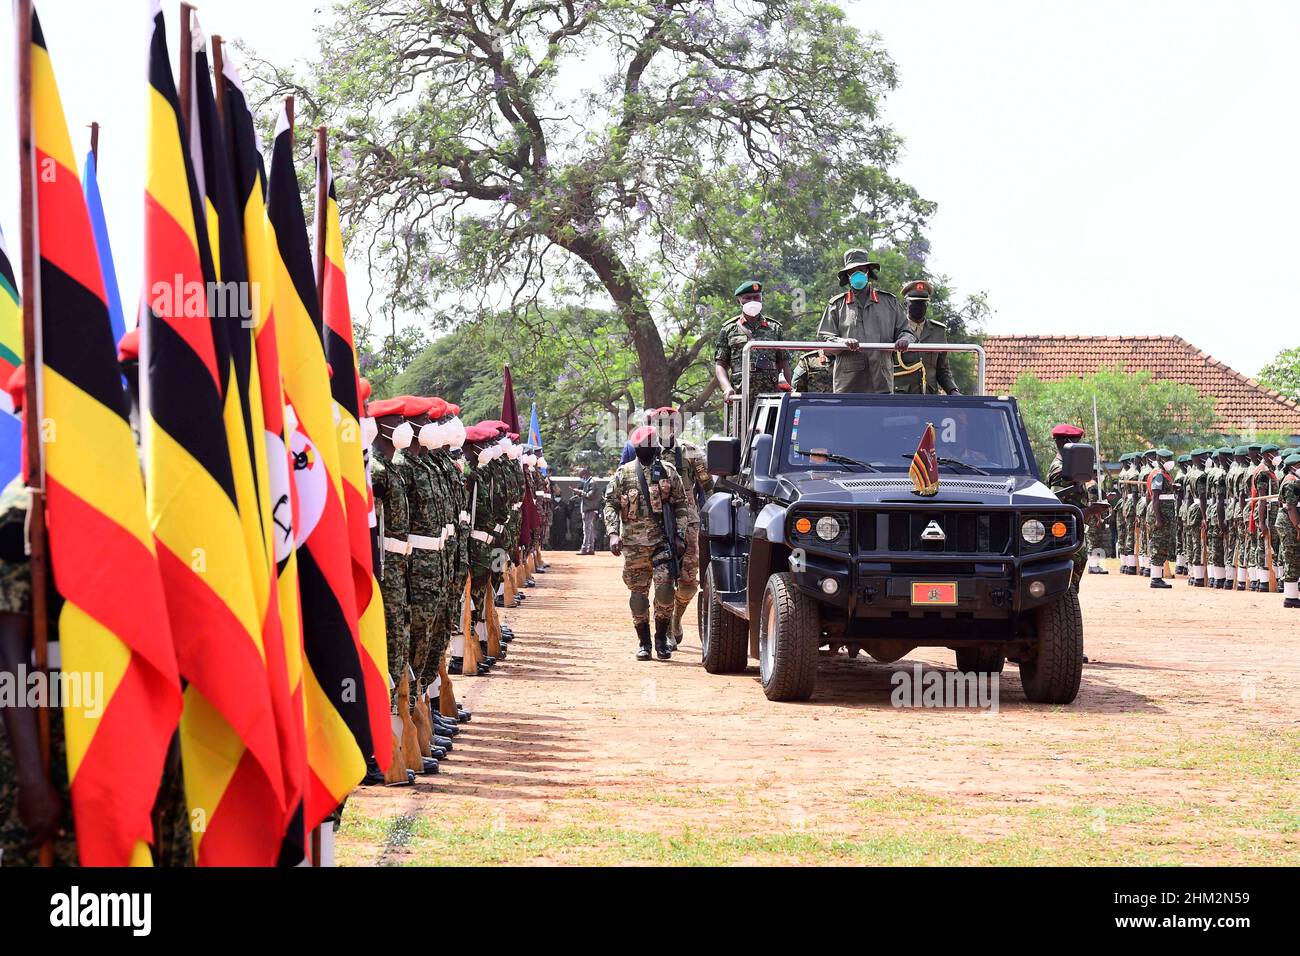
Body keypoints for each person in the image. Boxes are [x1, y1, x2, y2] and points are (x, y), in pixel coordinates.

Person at [604, 426, 689, 661]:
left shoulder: (669, 472)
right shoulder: (624, 474)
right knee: (638, 597)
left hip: (662, 544)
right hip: (633, 546)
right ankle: (644, 642)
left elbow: (681, 504)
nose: (645, 452)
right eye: (640, 448)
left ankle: (662, 639)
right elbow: (610, 504)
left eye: (647, 448)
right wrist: (613, 533)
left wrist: (680, 535)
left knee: (664, 592)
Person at [650, 406, 714, 646]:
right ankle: (663, 629)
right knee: (661, 581)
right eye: (661, 423)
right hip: (655, 526)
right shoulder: (646, 452)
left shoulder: (691, 452)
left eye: (671, 423)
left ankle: (676, 618)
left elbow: (708, 488)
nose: (666, 428)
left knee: (687, 583)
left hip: (687, 524)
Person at [816, 249, 914, 393]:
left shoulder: (889, 302)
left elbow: (907, 332)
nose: (857, 274)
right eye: (852, 271)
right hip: (849, 387)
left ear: (868, 271)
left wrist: (904, 339)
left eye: (861, 269)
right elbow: (824, 344)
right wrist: (841, 343)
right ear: (847, 276)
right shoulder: (836, 305)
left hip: (882, 384)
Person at [713, 281, 790, 426]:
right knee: (739, 439)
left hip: (770, 396)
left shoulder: (775, 328)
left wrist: (786, 390)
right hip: (741, 395)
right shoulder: (729, 329)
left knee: (770, 435)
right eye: (747, 298)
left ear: (761, 298)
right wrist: (727, 388)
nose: (752, 301)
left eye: (756, 297)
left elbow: (784, 363)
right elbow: (720, 364)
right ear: (739, 300)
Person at [1045, 423, 1107, 594]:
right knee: (1067, 588)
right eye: (1077, 441)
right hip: (1064, 534)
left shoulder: (1070, 466)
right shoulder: (1061, 470)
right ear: (1067, 442)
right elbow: (1058, 509)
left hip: (1073, 530)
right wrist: (1091, 511)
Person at [892, 279, 960, 395]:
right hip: (901, 398)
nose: (919, 306)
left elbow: (942, 370)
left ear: (927, 304)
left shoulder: (938, 331)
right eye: (915, 302)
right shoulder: (894, 329)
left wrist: (953, 390)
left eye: (922, 303)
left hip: (929, 398)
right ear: (905, 304)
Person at [1145, 449, 1177, 589]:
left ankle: (1157, 577)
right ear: (1160, 459)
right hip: (1161, 514)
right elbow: (1155, 498)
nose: (1170, 460)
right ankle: (1156, 578)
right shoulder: (1158, 475)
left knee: (1161, 544)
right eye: (1167, 458)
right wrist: (1158, 519)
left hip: (1164, 514)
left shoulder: (1163, 474)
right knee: (1158, 545)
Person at [1273, 452, 1300, 608]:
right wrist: (1298, 527)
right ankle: (1290, 597)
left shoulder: (1292, 480)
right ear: (1294, 466)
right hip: (1290, 523)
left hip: (1290, 521)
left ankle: (1292, 595)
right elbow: (1290, 507)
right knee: (1292, 558)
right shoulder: (1291, 482)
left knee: (1294, 557)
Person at [578, 467, 600, 555]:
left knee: (587, 530)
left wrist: (580, 492)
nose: (581, 478)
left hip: (590, 509)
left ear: (585, 474)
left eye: (581, 475)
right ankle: (590, 548)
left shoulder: (592, 482)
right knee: (589, 530)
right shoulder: (588, 482)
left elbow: (590, 495)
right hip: (588, 508)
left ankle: (584, 548)